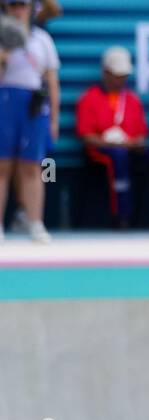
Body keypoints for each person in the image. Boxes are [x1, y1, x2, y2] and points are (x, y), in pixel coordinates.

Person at [76, 46, 149, 228]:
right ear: (105, 73)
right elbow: (87, 137)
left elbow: (141, 135)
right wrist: (113, 143)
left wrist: (134, 143)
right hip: (103, 150)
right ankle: (122, 216)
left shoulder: (132, 99)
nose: (121, 80)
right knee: (118, 157)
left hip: (131, 149)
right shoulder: (89, 98)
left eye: (124, 75)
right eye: (117, 75)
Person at [0, 0, 57, 243]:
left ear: (31, 8)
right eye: (13, 5)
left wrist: (54, 118)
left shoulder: (42, 39)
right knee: (2, 166)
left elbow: (52, 81)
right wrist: (6, 51)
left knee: (34, 166)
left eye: (22, 4)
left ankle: (35, 222)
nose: (18, 9)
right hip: (5, 100)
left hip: (34, 104)